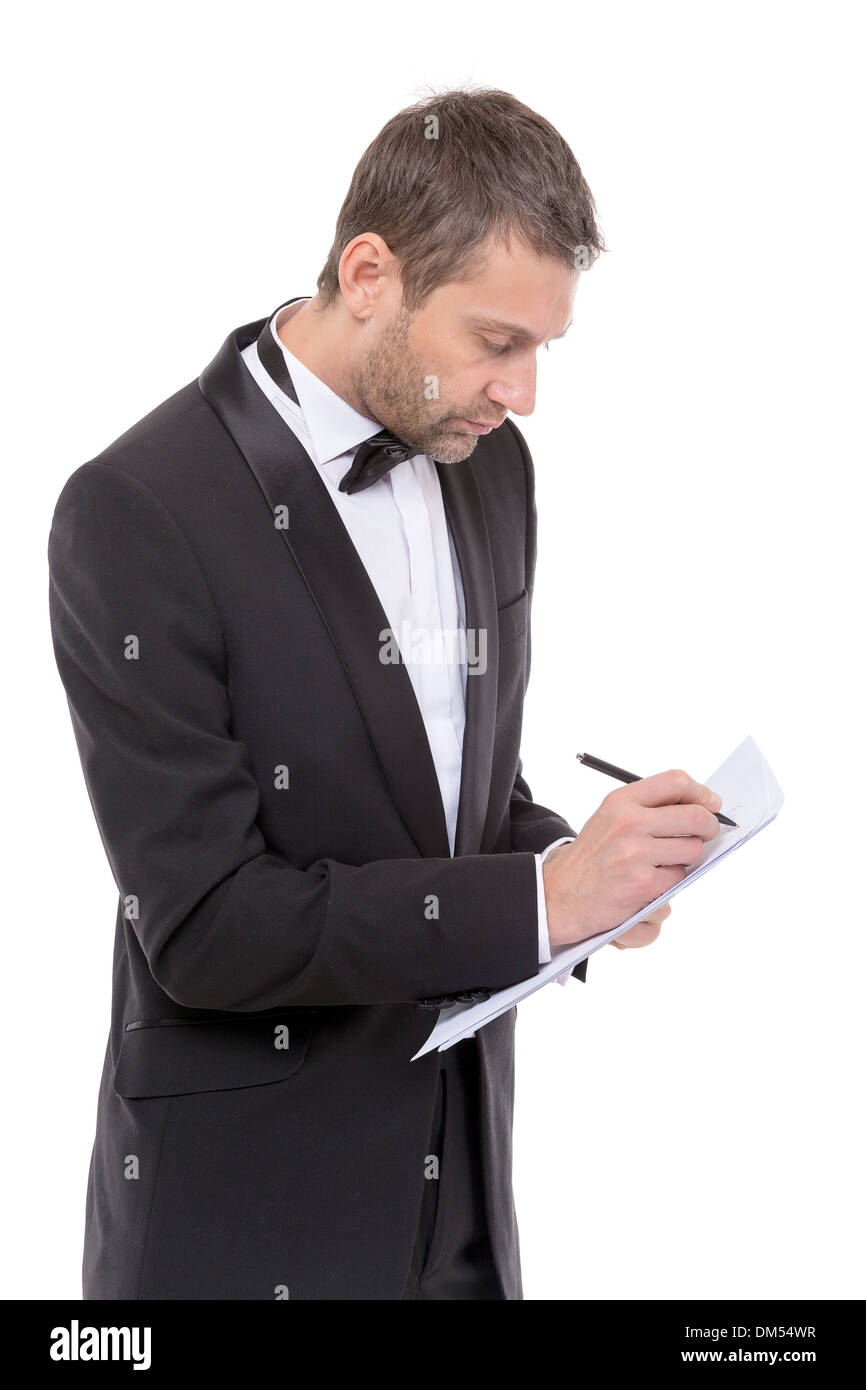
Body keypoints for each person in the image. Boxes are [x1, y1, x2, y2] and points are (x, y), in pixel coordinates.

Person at [47, 86, 722, 1301]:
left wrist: (591, 873)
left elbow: (454, 793)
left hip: (461, 1204)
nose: (521, 393)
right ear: (369, 273)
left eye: (540, 350)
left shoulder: (492, 465)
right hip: (243, 1228)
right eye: (495, 341)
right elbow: (203, 927)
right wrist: (537, 900)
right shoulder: (136, 511)